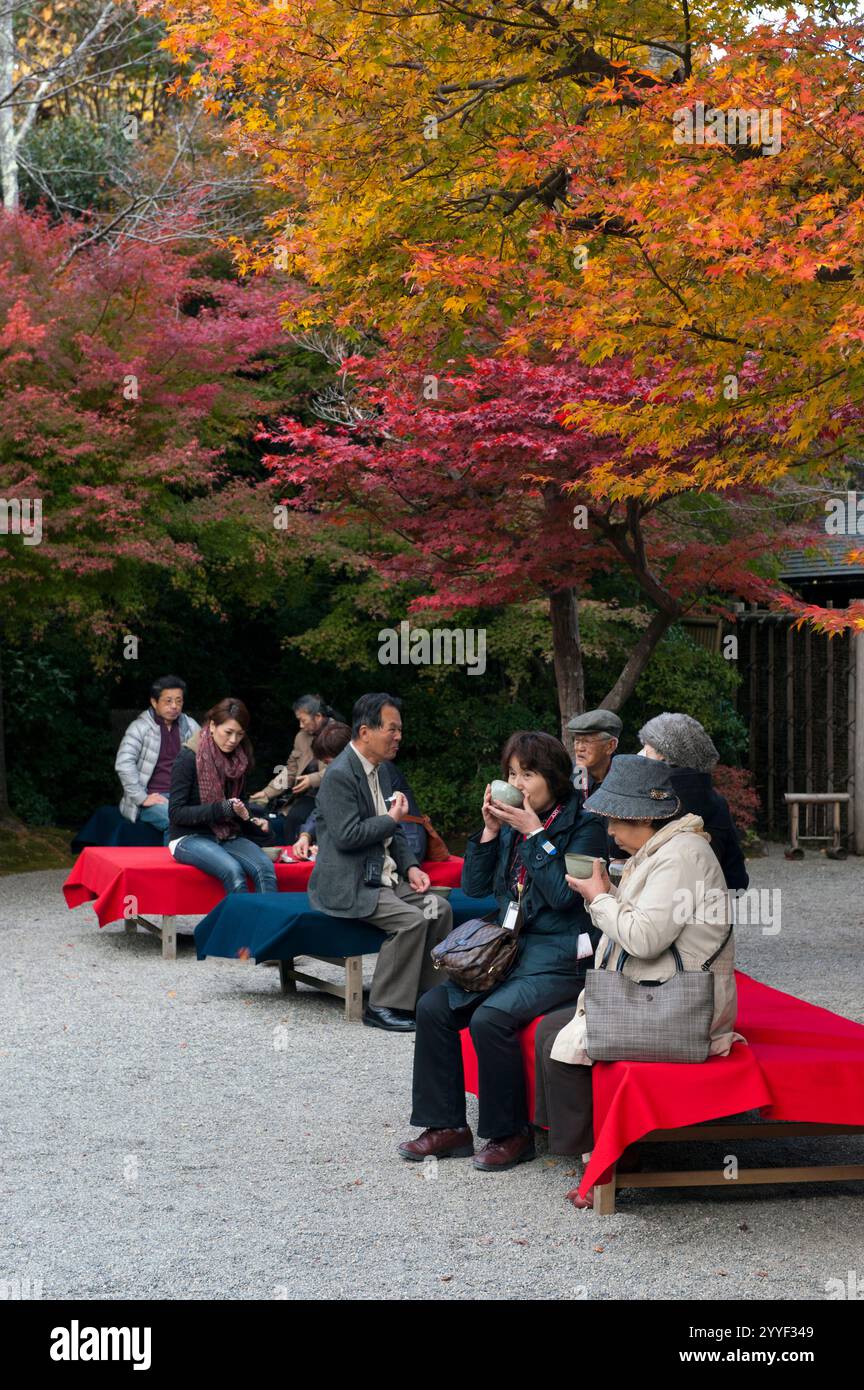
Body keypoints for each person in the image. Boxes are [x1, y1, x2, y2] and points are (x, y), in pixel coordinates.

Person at [533, 754, 741, 1208]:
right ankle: (587, 1148)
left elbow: (645, 938)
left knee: (566, 1045)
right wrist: (606, 892)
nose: (608, 831)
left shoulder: (683, 855)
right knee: (550, 1029)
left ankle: (609, 1163)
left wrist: (598, 899)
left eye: (614, 821)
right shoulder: (666, 848)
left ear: (644, 816)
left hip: (683, 1004)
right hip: (660, 987)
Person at [398, 731, 608, 1172]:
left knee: (490, 1018)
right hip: (509, 950)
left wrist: (534, 835)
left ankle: (512, 1133)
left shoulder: (585, 826)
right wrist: (492, 832)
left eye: (528, 773)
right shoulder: (511, 826)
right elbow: (475, 889)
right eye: (511, 773)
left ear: (552, 777)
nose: (518, 782)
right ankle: (448, 1127)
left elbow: (565, 898)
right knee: (433, 1006)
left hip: (562, 956)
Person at [308, 692, 453, 1032]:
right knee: (412, 921)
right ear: (364, 732)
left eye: (399, 729)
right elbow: (347, 836)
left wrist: (412, 867)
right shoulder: (339, 775)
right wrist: (391, 818)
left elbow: (396, 832)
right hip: (349, 882)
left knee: (440, 909)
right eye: (392, 729)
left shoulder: (384, 770)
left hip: (383, 876)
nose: (399, 736)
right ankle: (383, 1005)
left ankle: (426, 999)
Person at [167, 697, 277, 894]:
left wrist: (252, 819)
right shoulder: (188, 757)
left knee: (265, 870)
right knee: (233, 872)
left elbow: (239, 803)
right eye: (228, 732)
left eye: (240, 734)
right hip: (188, 837)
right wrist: (222, 809)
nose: (234, 740)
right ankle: (239, 925)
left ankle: (268, 925)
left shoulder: (240, 759)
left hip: (228, 834)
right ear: (212, 726)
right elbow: (176, 813)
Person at [638, 712, 749, 890]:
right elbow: (737, 880)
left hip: (653, 909)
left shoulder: (650, 799)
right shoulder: (717, 802)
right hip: (709, 910)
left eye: (646, 745)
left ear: (663, 754)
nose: (642, 752)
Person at [115, 676, 200, 839]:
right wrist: (142, 797)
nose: (174, 706)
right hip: (153, 797)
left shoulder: (189, 726)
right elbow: (124, 764)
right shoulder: (140, 728)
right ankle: (170, 864)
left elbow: (205, 758)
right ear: (154, 702)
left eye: (179, 701)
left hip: (182, 796)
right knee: (176, 821)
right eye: (168, 701)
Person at [250, 694, 341, 842]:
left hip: (330, 794)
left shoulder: (338, 734)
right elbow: (290, 770)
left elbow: (342, 768)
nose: (300, 725)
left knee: (296, 817)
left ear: (318, 716)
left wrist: (313, 779)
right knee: (280, 817)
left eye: (303, 720)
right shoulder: (301, 737)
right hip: (303, 796)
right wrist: (267, 793)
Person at [292, 721, 353, 859]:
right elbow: (322, 808)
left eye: (328, 763)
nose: (327, 770)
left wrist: (327, 847)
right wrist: (305, 836)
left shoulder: (372, 772)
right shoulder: (338, 775)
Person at [566, 709, 622, 805]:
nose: (579, 748)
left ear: (610, 746)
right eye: (577, 741)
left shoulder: (625, 778)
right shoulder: (566, 774)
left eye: (587, 741)